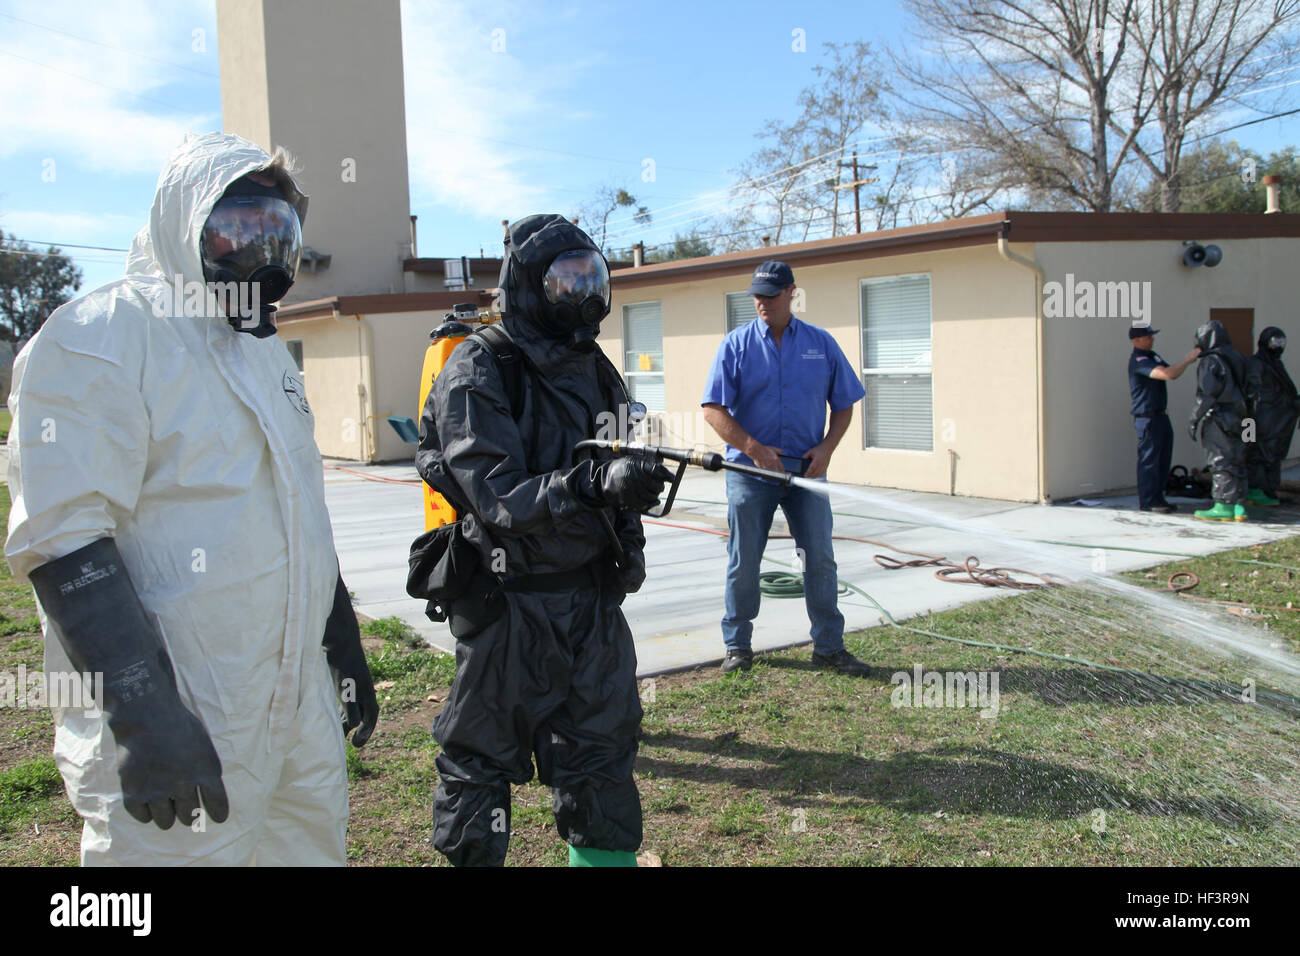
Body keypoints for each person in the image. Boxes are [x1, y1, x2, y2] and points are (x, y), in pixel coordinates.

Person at [5, 132, 378, 866]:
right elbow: (65, 540)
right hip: (188, 708)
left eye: (276, 232)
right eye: (237, 228)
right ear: (183, 223)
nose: (260, 252)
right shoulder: (103, 336)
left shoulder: (262, 349)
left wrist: (340, 641)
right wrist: (144, 714)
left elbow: (297, 507)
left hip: (294, 701)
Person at [415, 213, 670, 868]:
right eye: (566, 280)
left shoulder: (595, 368)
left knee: (603, 767)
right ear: (530, 285)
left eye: (590, 278)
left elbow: (616, 457)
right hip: (509, 607)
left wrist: (631, 500)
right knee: (479, 773)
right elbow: (497, 495)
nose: (581, 293)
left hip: (590, 609)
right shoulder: (482, 365)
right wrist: (592, 484)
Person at [701, 260, 870, 677]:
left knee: (819, 559)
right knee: (744, 561)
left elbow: (844, 404)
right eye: (757, 296)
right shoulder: (736, 346)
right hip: (751, 473)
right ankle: (737, 645)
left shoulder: (820, 344)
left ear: (791, 292)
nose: (762, 303)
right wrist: (755, 449)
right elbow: (712, 409)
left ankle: (829, 647)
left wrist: (827, 449)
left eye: (771, 295)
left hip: (806, 473)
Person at [1189, 319, 1258, 522]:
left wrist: (1194, 420)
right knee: (1240, 458)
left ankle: (1223, 505)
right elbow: (1255, 388)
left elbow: (1207, 394)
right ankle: (1239, 506)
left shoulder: (1210, 361)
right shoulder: (1242, 358)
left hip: (1220, 416)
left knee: (1220, 460)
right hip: (1245, 417)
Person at [1127, 325, 1199, 513]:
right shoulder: (1139, 361)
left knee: (1162, 460)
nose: (1152, 339)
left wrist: (1187, 362)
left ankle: (1158, 498)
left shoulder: (1152, 356)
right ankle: (1148, 501)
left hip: (1160, 416)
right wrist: (1187, 360)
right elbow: (1168, 374)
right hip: (1147, 418)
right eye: (1148, 337)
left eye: (1152, 336)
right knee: (1149, 461)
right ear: (1136, 340)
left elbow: (1172, 371)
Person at [1246, 326, 1300, 506]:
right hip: (1256, 420)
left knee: (1273, 455)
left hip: (1276, 421)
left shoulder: (1276, 364)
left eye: (1281, 342)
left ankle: (1268, 490)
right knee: (1255, 453)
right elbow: (1251, 392)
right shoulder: (1256, 363)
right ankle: (1255, 489)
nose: (1278, 346)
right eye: (1274, 342)